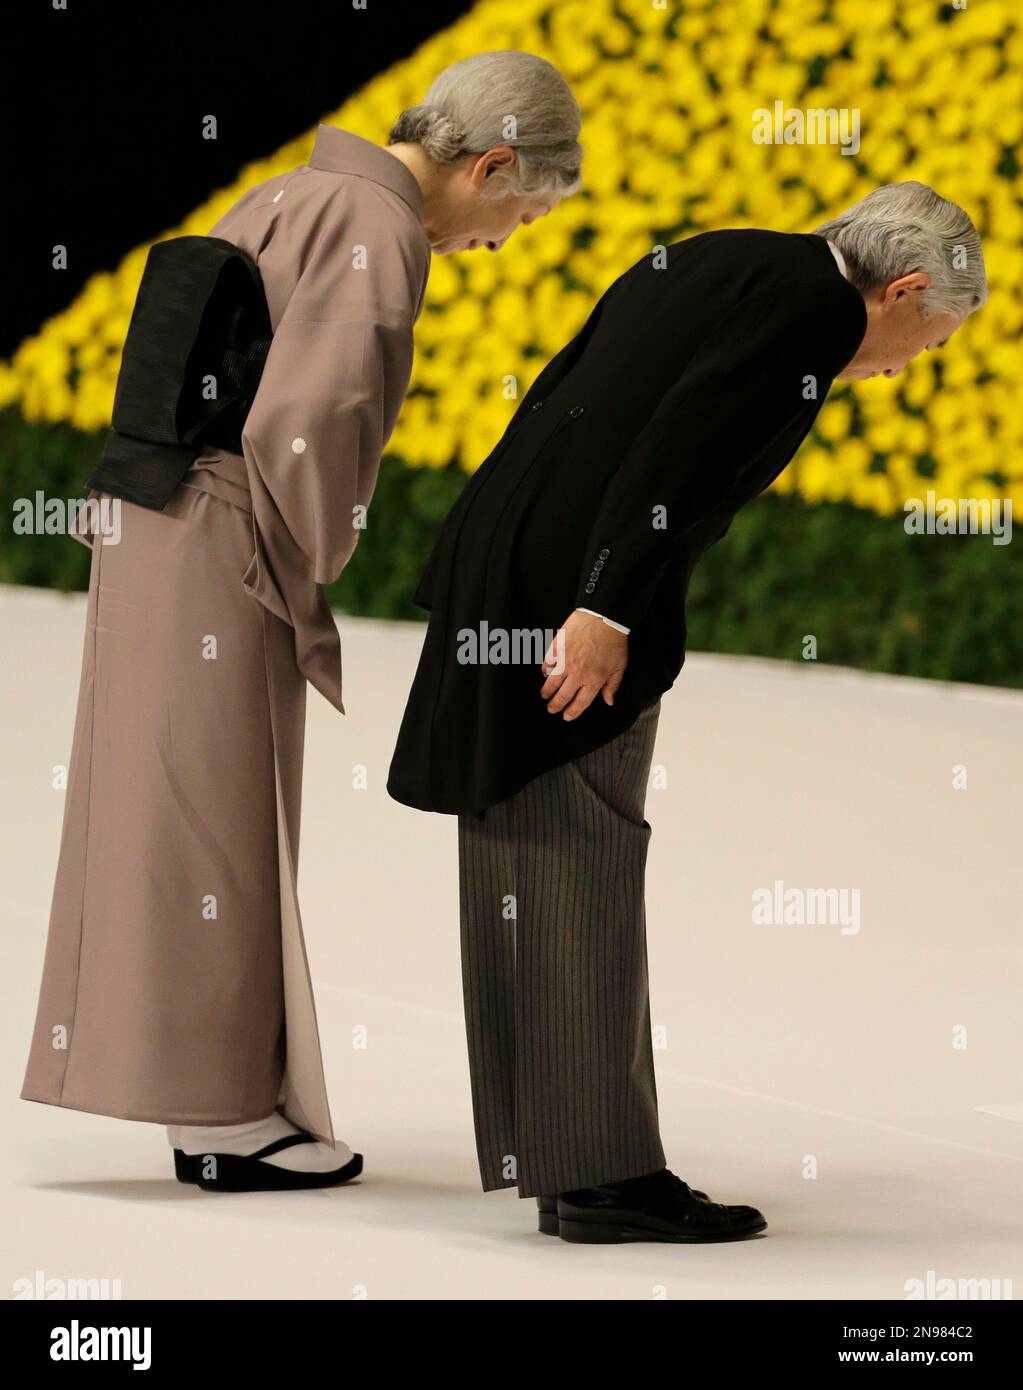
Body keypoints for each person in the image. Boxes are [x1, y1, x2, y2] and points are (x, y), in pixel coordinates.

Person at [21, 51, 582, 1193]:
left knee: (158, 807)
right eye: (515, 213)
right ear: (489, 165)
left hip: (150, 515)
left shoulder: (283, 190)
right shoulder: (375, 229)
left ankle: (199, 1094)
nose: (498, 242)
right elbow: (315, 423)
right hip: (224, 532)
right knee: (220, 817)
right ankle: (223, 1118)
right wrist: (311, 558)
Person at [387, 182, 987, 1241]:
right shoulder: (814, 312)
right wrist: (607, 603)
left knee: (524, 852)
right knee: (580, 850)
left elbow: (576, 387)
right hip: (573, 586)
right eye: (930, 339)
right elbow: (680, 456)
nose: (911, 364)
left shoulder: (727, 255)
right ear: (901, 290)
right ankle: (603, 1176)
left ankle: (565, 1154)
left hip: (511, 548)